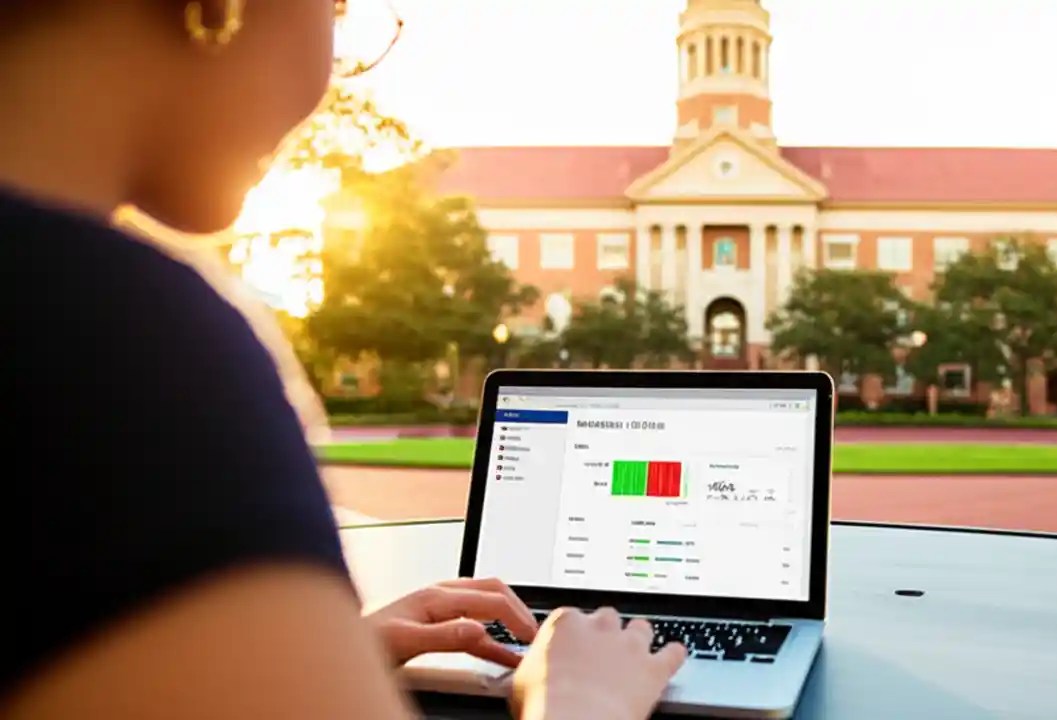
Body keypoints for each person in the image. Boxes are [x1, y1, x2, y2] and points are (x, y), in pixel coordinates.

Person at [0, 2, 685, 719]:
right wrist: (578, 700)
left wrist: (308, 658)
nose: (335, 64)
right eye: (335, 6)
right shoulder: (122, 340)